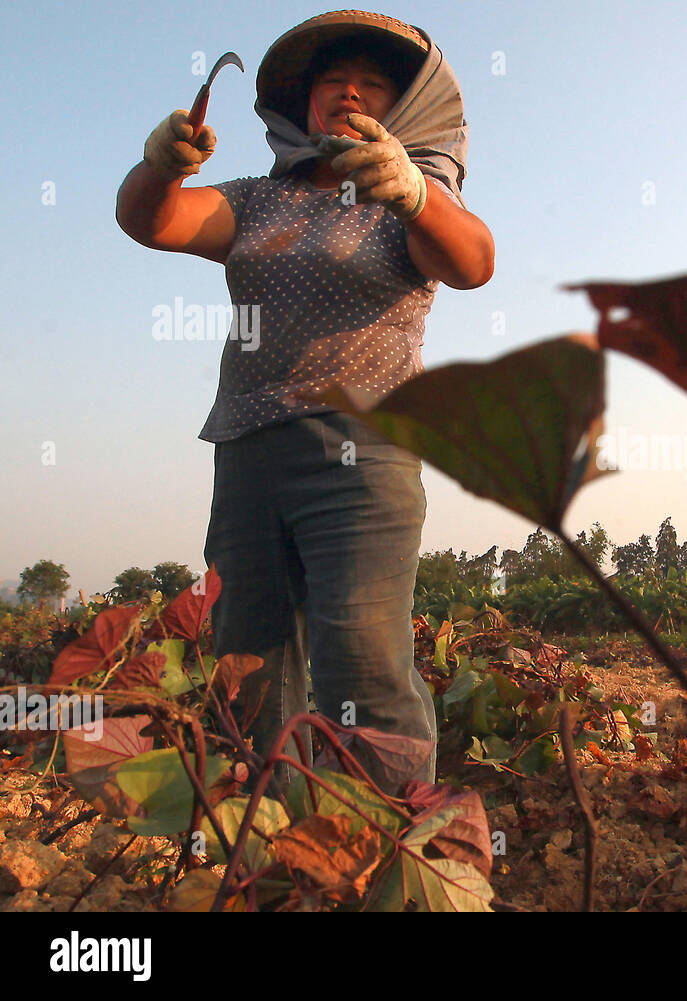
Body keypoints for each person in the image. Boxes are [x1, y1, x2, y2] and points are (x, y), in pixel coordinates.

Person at [115, 10, 494, 795]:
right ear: (305, 103)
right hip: (248, 446)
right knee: (246, 661)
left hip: (365, 453)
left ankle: (385, 842)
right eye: (332, 82)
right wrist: (159, 166)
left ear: (403, 110)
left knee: (360, 654)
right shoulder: (257, 200)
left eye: (372, 84)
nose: (348, 93)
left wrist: (414, 192)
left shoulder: (409, 202)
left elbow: (474, 263)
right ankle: (273, 849)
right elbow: (151, 222)